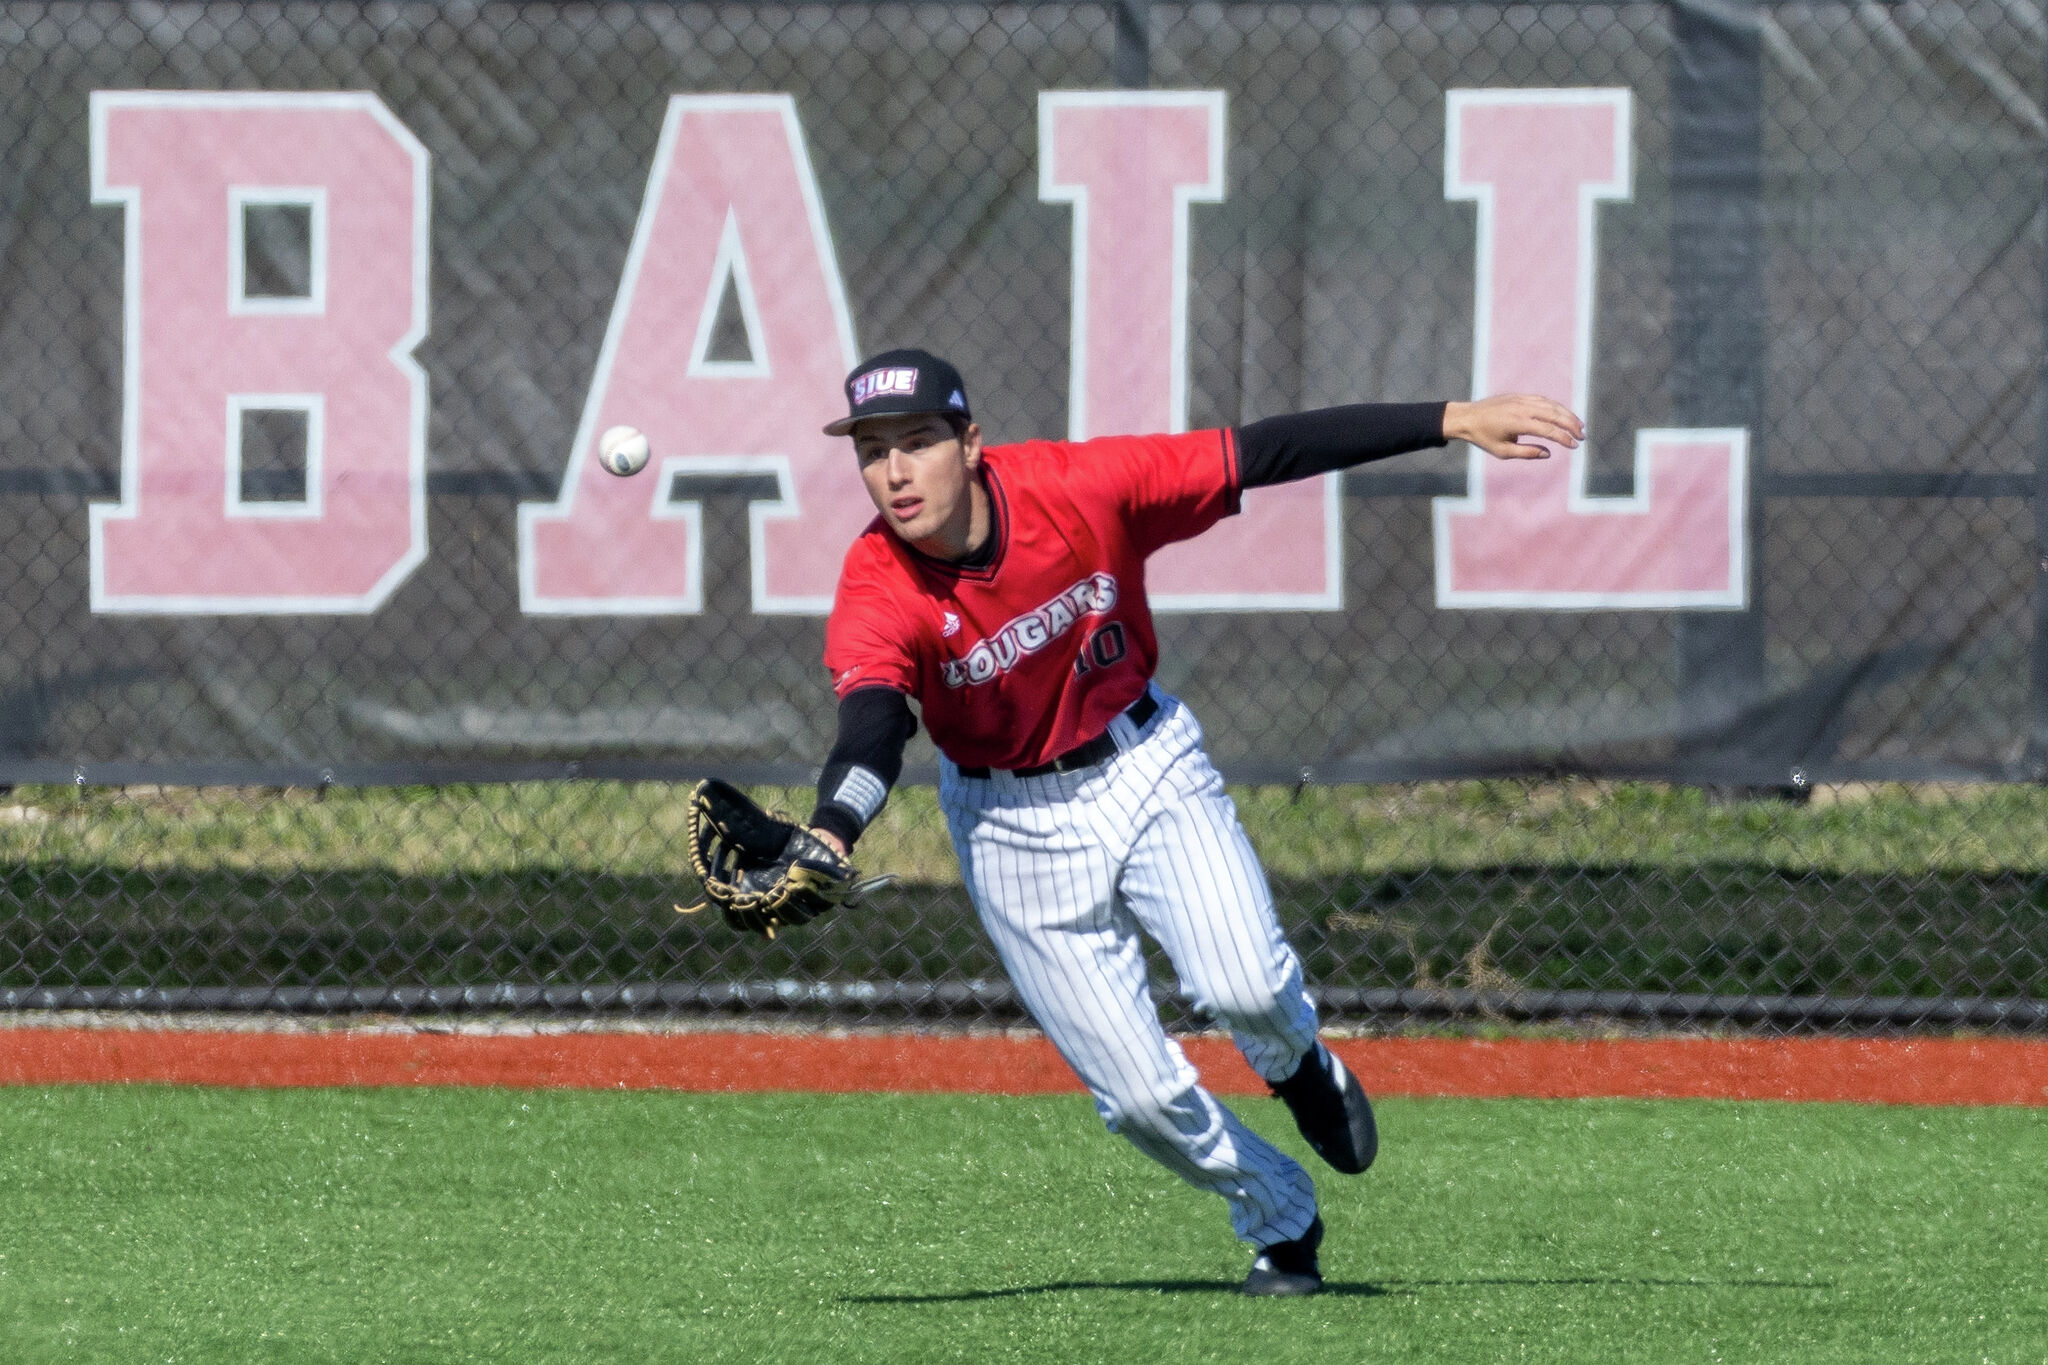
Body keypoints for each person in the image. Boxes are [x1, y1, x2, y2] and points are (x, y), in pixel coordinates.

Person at [803, 347, 1582, 1296]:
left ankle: (1296, 1062)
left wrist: (1451, 417)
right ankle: (1280, 1215)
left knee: (1247, 984)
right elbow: (874, 720)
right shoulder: (876, 580)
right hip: (1008, 823)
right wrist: (835, 828)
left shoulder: (1079, 487)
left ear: (970, 442)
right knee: (1135, 1098)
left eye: (917, 441)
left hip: (1144, 766)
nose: (894, 472)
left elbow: (1266, 451)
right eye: (873, 450)